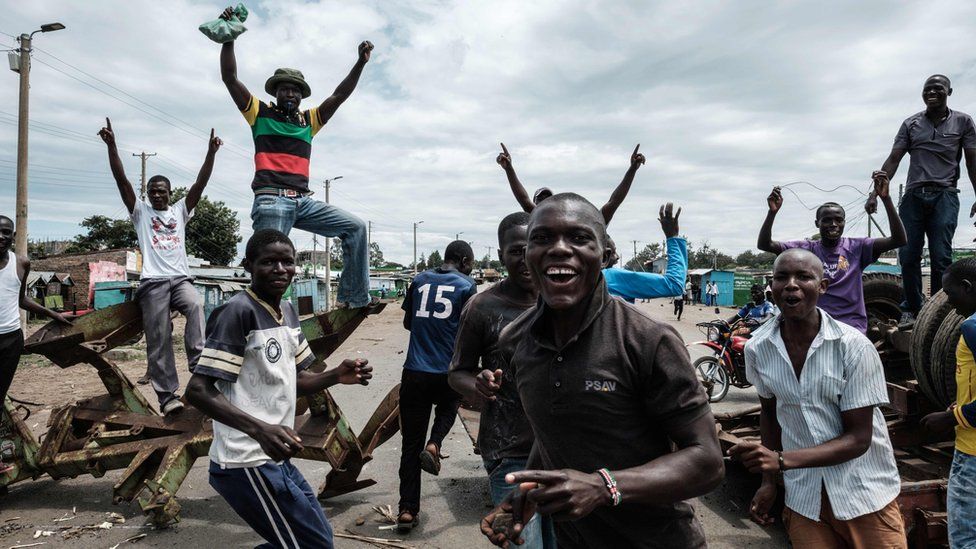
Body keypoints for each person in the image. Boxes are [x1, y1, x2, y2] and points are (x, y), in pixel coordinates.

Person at [480, 193, 724, 548]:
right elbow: (551, 430)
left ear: (604, 253)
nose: (559, 249)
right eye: (542, 238)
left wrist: (603, 486)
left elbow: (708, 462)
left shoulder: (649, 340)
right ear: (525, 254)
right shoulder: (516, 340)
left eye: (579, 238)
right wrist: (527, 494)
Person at [185, 229, 373, 549]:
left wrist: (337, 375)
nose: (280, 270)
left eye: (287, 262)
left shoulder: (286, 312)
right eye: (268, 262)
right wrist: (261, 430)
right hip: (245, 462)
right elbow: (198, 391)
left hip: (273, 456)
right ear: (248, 266)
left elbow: (297, 378)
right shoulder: (237, 311)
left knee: (319, 539)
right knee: (311, 546)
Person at [729, 249, 905, 549]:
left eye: (804, 277)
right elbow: (770, 414)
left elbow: (859, 438)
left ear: (821, 287)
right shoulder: (758, 348)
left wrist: (780, 460)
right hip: (804, 499)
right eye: (782, 277)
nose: (792, 285)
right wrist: (769, 482)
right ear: (772, 287)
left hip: (863, 492)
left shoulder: (853, 348)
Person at [216, 6, 374, 309]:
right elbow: (229, 76)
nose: (290, 95)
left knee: (355, 227)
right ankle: (261, 313)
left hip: (303, 201)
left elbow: (340, 95)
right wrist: (229, 39)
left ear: (301, 96)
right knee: (270, 261)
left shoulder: (308, 121)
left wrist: (360, 63)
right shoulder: (258, 113)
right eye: (285, 89)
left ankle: (354, 300)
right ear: (277, 92)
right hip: (272, 199)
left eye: (296, 91)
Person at [98, 118, 219, 415]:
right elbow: (121, 181)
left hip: (179, 279)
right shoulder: (140, 213)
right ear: (148, 193)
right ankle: (167, 397)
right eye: (152, 191)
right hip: (153, 282)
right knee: (159, 336)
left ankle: (198, 364)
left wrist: (211, 154)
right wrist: (112, 146)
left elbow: (200, 184)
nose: (157, 195)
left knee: (194, 305)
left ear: (169, 192)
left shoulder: (180, 210)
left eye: (162, 191)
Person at [448, 212, 554, 548]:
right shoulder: (481, 307)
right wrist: (476, 386)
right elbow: (456, 372)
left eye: (533, 247)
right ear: (500, 256)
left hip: (561, 451)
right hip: (509, 451)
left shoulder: (563, 301)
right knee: (522, 542)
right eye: (515, 251)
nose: (525, 260)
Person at [866, 74, 976, 323]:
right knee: (908, 255)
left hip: (945, 196)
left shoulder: (964, 122)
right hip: (914, 196)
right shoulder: (911, 123)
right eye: (927, 89)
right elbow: (893, 160)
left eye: (938, 88)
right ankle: (911, 307)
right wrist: (874, 194)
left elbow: (972, 162)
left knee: (941, 257)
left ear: (949, 91)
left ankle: (938, 310)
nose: (932, 93)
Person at [758, 172, 907, 333]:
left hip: (851, 327)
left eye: (839, 220)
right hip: (815, 327)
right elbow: (765, 244)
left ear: (844, 222)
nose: (834, 224)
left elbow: (899, 239)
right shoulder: (805, 250)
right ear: (817, 223)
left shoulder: (858, 247)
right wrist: (772, 213)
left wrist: (886, 199)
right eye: (827, 220)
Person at [397, 240, 478, 532]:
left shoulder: (418, 280)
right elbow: (471, 330)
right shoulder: (467, 285)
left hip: (415, 371)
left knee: (409, 446)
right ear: (464, 261)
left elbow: (408, 323)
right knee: (450, 405)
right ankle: (436, 443)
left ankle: (407, 510)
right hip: (448, 372)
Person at [0, 215, 71, 472]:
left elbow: (21, 300)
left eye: (6, 232)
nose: (1, 236)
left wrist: (54, 314)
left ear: (13, 236)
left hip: (10, 339)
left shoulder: (21, 264)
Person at [920, 258, 976, 547]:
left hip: (973, 451)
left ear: (967, 287)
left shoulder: (973, 327)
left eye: (951, 295)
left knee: (966, 538)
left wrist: (952, 418)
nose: (950, 306)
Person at [496, 142, 645, 224]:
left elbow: (613, 202)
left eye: (548, 199)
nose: (544, 203)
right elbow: (523, 199)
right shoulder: (538, 224)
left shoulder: (579, 224)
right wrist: (509, 168)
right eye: (540, 200)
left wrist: (632, 170)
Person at [601, 203, 687, 304]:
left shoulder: (584, 280)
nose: (617, 257)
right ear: (603, 256)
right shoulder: (610, 278)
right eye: (613, 252)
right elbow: (674, 285)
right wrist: (672, 238)